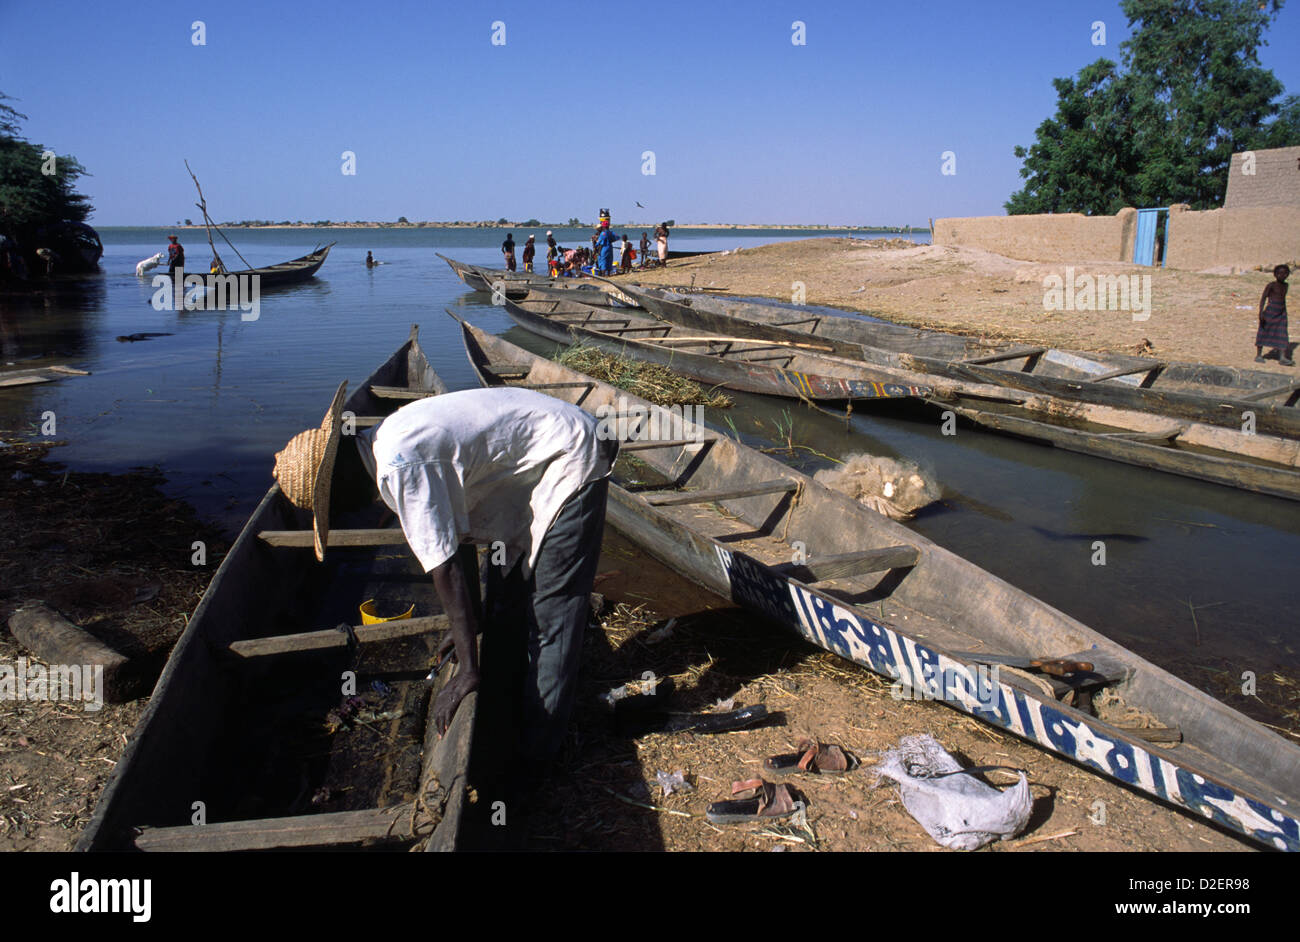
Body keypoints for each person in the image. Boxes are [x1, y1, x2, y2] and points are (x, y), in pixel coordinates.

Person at [272, 381, 617, 778]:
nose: (345, 513)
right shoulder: (386, 437)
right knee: (506, 594)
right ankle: (508, 704)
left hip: (571, 454)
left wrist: (468, 667)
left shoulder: (400, 466)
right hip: (538, 454)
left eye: (334, 505)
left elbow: (445, 566)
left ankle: (538, 759)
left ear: (340, 478)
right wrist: (465, 625)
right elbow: (453, 540)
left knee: (553, 612)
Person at [1256, 264, 1293, 366]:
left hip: (1281, 313)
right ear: (1275, 274)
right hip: (1270, 312)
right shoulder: (1271, 285)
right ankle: (1259, 355)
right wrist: (1260, 312)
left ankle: (1282, 357)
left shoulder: (1286, 286)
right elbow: (1263, 298)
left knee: (1282, 334)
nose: (1283, 275)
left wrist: (1284, 312)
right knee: (1263, 331)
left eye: (1285, 273)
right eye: (1280, 273)